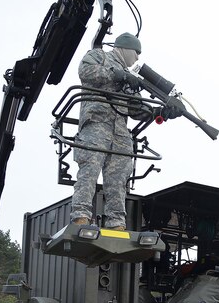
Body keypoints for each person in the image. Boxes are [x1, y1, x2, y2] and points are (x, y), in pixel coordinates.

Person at [71, 33, 174, 230]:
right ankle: (81, 215)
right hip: (96, 124)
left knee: (118, 179)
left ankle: (116, 221)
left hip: (119, 133)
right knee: (89, 172)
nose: (137, 58)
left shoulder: (131, 78)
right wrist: (117, 75)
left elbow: (137, 109)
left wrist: (161, 113)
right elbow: (85, 71)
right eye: (136, 53)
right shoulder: (99, 56)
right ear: (125, 48)